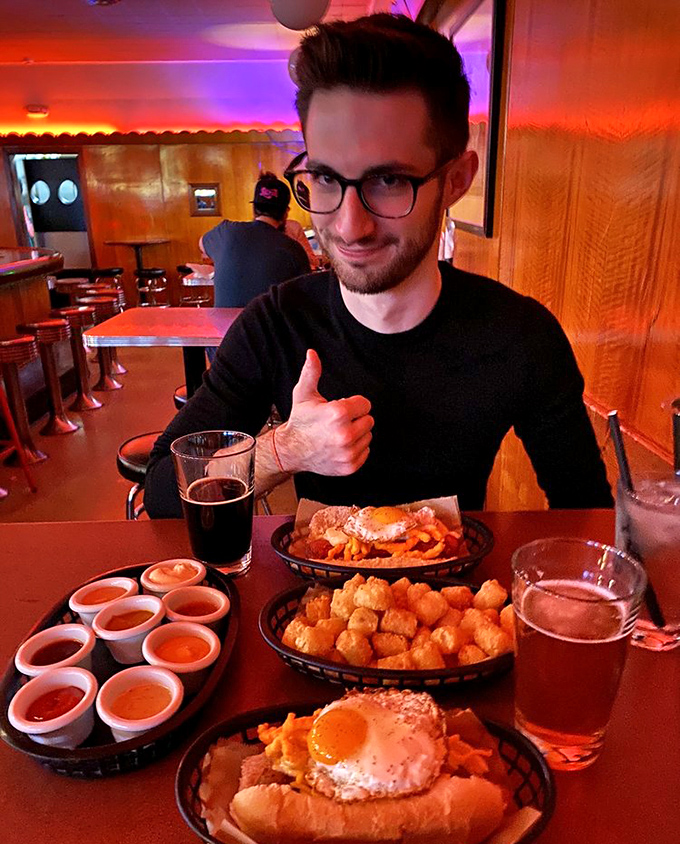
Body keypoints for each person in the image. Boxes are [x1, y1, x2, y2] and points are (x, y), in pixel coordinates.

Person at [145, 14, 612, 518]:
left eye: (388, 181)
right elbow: (163, 495)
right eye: (325, 177)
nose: (350, 226)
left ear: (456, 180)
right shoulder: (275, 324)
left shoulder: (520, 336)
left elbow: (589, 515)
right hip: (309, 597)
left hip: (463, 595)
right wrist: (285, 451)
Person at [199, 171, 310, 310]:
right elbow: (305, 300)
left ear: (254, 208)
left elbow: (201, 244)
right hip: (269, 331)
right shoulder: (294, 249)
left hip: (226, 331)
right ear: (285, 212)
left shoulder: (226, 231)